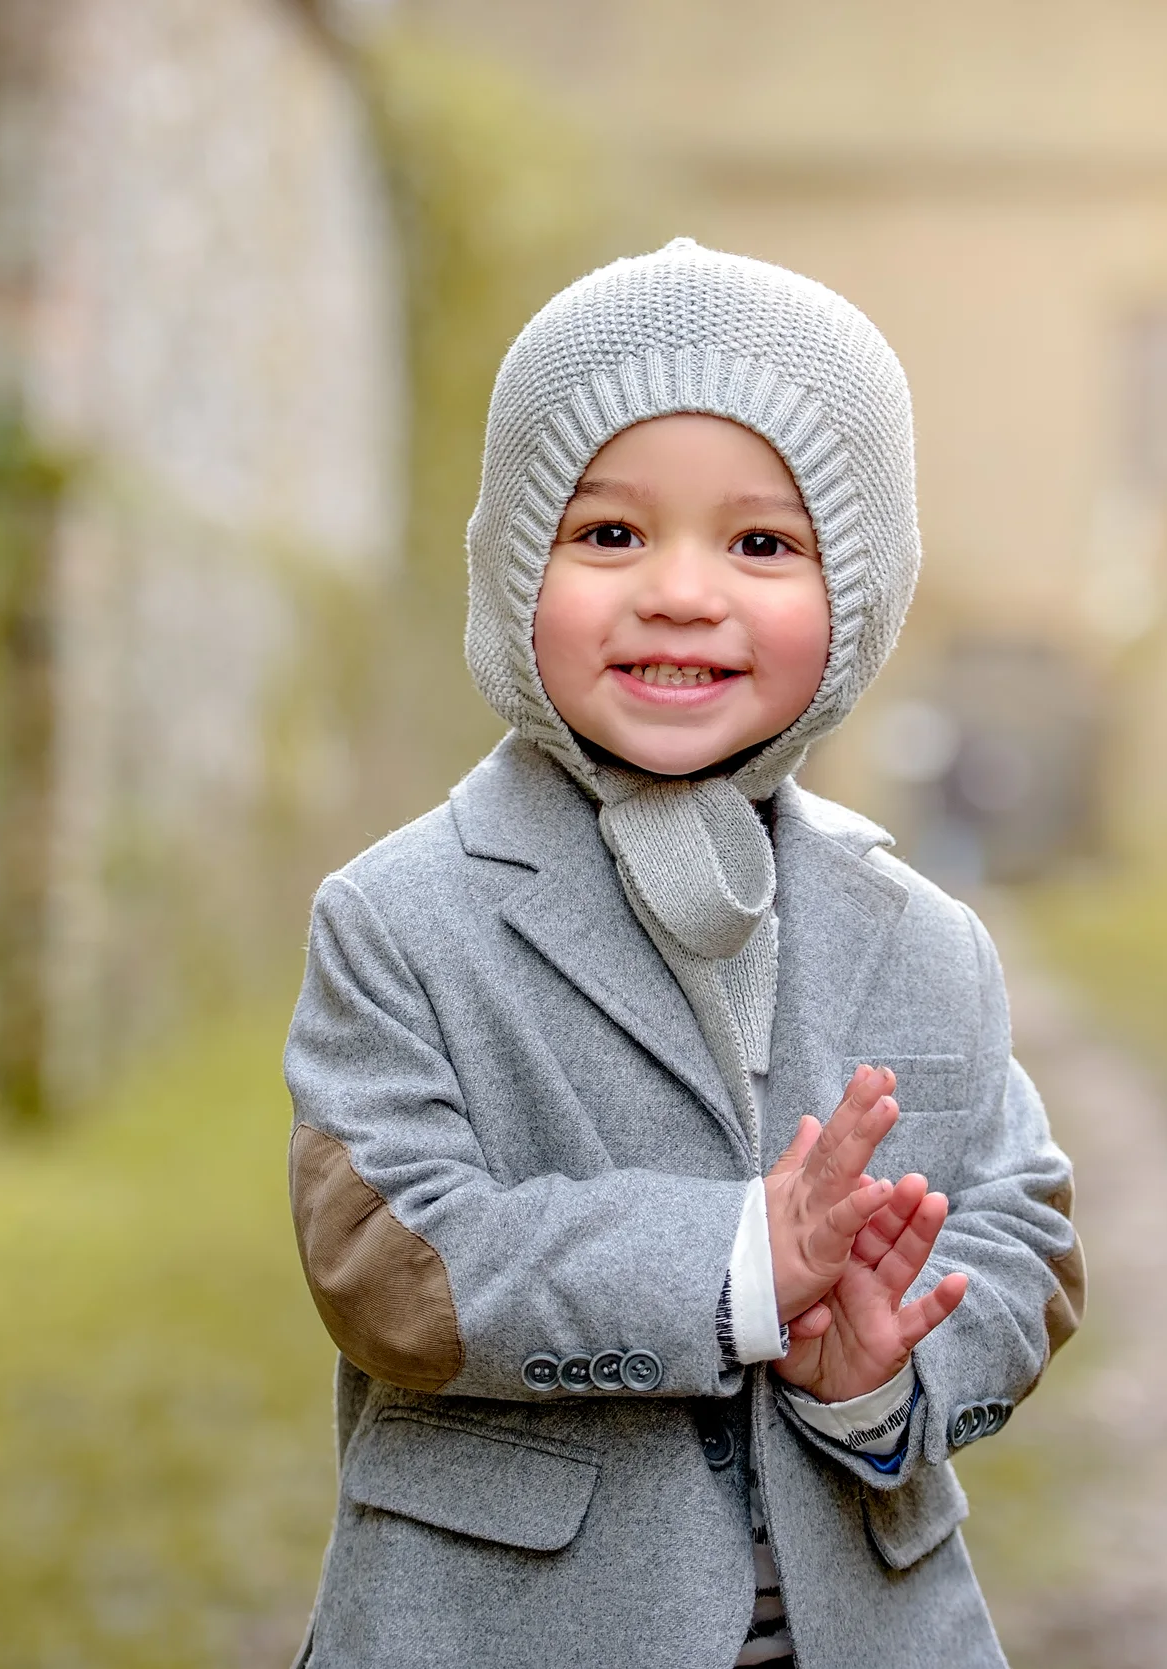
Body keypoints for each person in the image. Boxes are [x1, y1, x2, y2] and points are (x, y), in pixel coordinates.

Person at [283, 239, 1082, 1669]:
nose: (681, 592)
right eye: (610, 535)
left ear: (862, 593)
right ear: (514, 565)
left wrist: (881, 1378)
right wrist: (733, 1266)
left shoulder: (924, 940)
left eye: (762, 543)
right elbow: (390, 1264)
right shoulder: (401, 916)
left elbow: (1021, 1236)